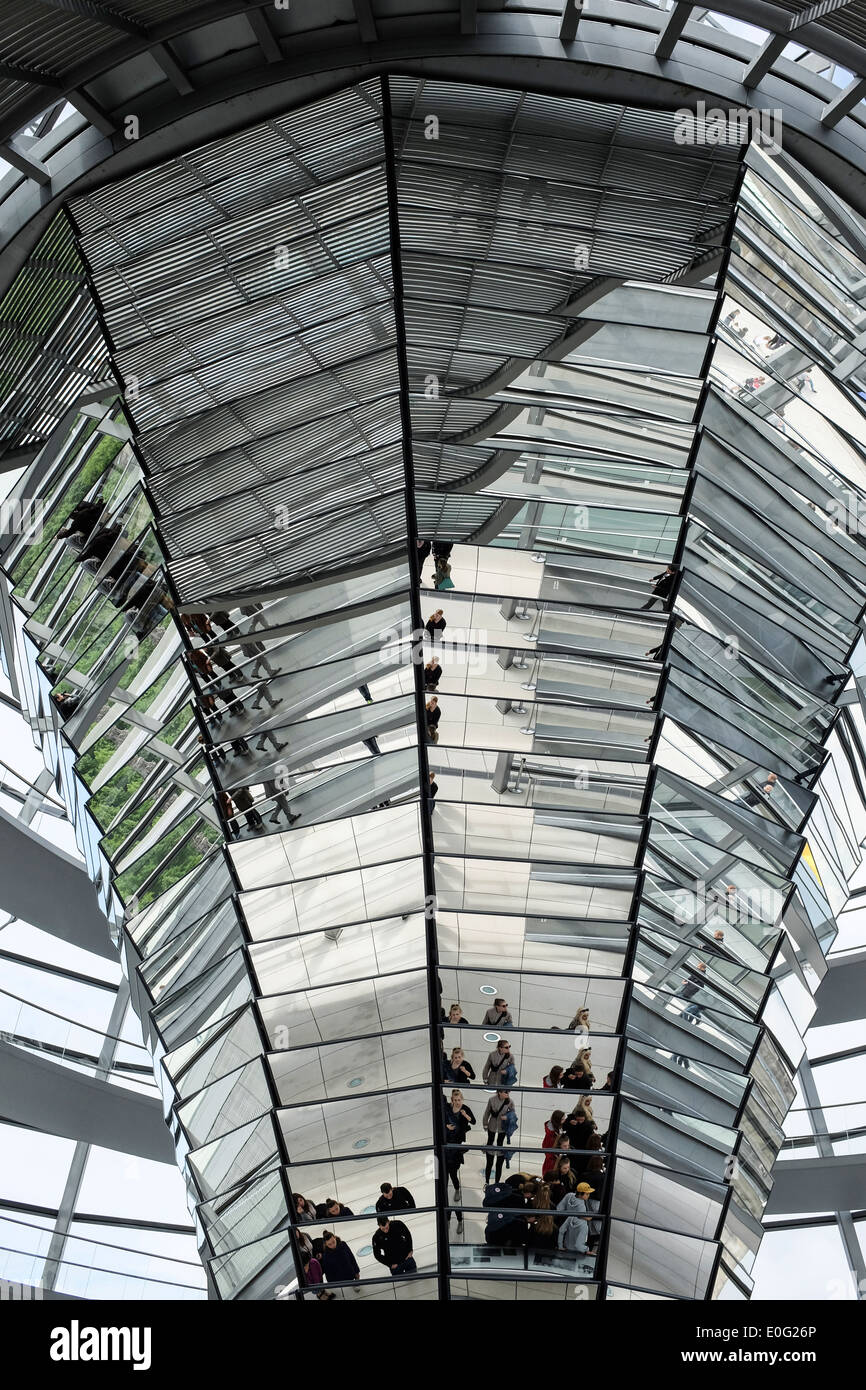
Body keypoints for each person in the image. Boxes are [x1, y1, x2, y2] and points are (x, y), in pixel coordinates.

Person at [443, 1089, 475, 1233]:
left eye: (459, 1100)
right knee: (445, 1172)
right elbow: (441, 1120)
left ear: (462, 1099)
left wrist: (465, 1115)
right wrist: (445, 1126)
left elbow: (473, 1121)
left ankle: (456, 1188)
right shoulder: (447, 1109)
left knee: (453, 1172)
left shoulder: (465, 1109)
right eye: (455, 1100)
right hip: (446, 1142)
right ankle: (446, 1193)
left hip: (456, 1144)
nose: (457, 1102)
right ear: (451, 1100)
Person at [482, 1089, 516, 1183]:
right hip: (492, 1126)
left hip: (502, 1127)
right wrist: (485, 1124)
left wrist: (507, 1117)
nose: (507, 1094)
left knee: (500, 1147)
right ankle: (487, 1182)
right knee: (490, 1150)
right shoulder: (492, 1099)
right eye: (506, 1092)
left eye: (508, 1092)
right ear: (499, 1092)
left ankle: (497, 1182)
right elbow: (487, 1112)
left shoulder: (509, 1101)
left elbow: (513, 1114)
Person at [557, 1189, 590, 1255]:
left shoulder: (570, 1217)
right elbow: (578, 1246)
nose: (589, 1196)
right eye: (587, 1194)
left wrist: (560, 1246)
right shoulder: (584, 1226)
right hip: (578, 1253)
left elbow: (561, 1230)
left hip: (566, 1249)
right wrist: (587, 1250)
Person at [526, 1183, 557, 1251]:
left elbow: (527, 1217)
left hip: (536, 1231)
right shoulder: (552, 1206)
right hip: (547, 1232)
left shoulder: (532, 1203)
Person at [541, 1110, 565, 1177]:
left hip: (554, 1153)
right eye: (562, 1119)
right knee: (550, 1165)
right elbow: (548, 1147)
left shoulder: (557, 1128)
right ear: (558, 1120)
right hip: (551, 1154)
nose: (564, 1120)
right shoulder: (552, 1134)